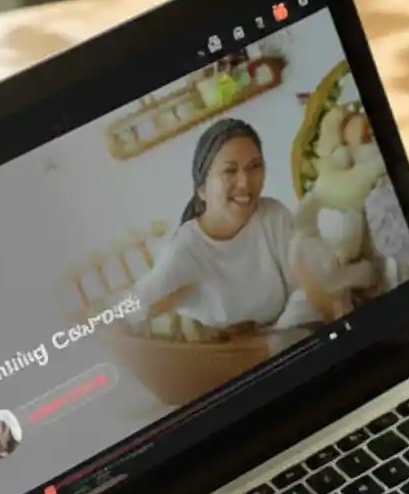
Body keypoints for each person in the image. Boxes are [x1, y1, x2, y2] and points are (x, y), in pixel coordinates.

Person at [130, 118, 314, 336]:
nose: (245, 182)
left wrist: (275, 343)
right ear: (202, 189)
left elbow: (305, 289)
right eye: (230, 170)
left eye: (254, 167)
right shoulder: (184, 250)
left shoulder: (273, 216)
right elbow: (132, 307)